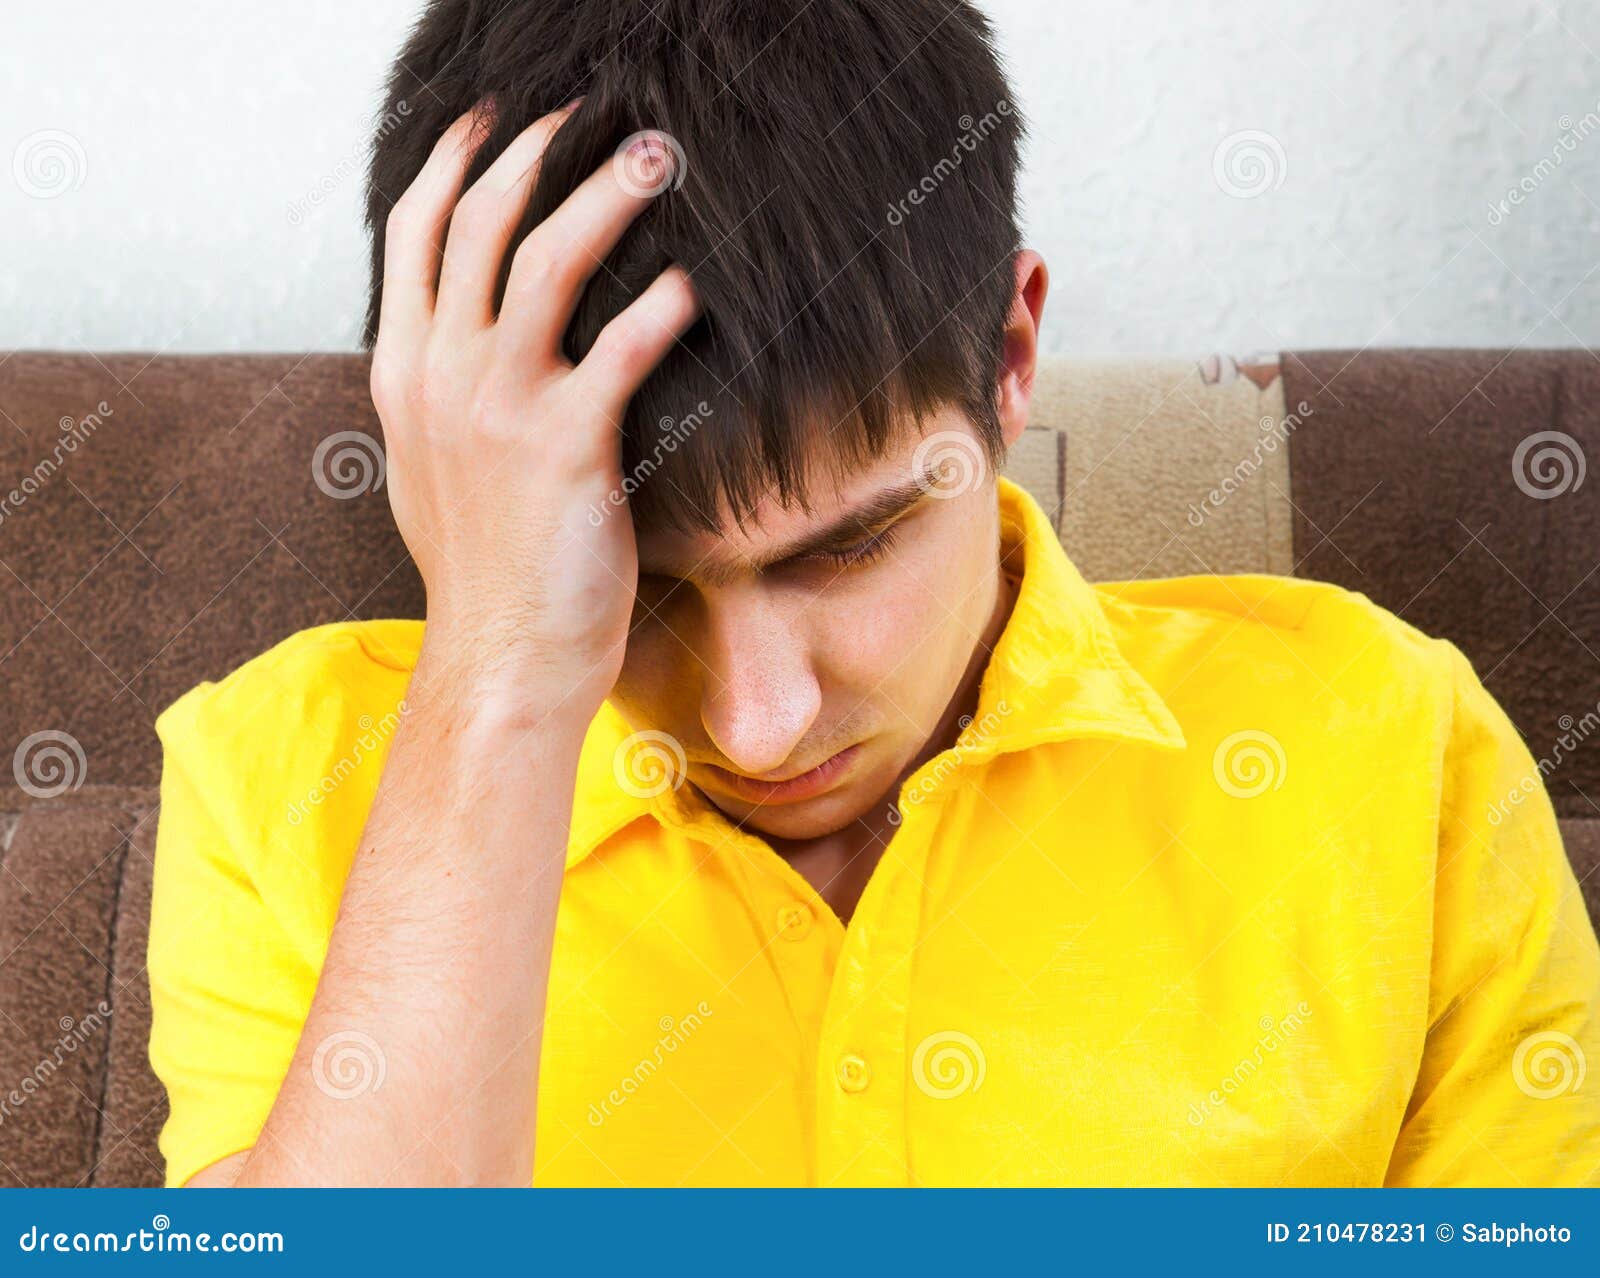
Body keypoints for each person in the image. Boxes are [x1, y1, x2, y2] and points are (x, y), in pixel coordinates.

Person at [147, 0, 1600, 1187]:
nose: (764, 726)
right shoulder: (277, 784)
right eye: (641, 589)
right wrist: (511, 664)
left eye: (847, 546)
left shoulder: (1385, 751)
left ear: (1013, 356)